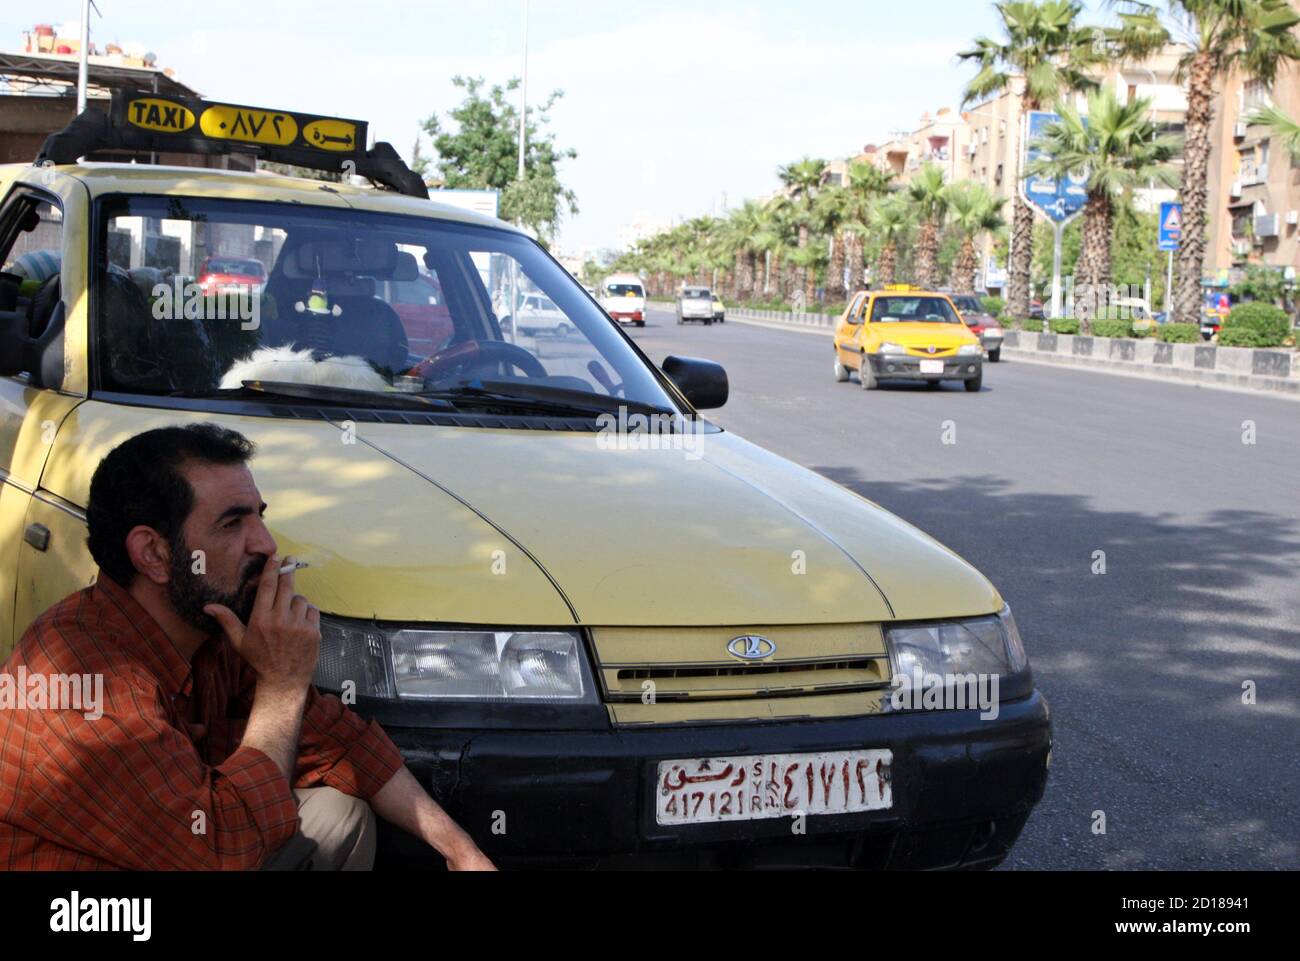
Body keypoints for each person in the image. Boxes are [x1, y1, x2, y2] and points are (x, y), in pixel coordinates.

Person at [0, 423, 494, 871]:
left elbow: (338, 741)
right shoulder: (86, 687)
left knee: (338, 817)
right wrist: (281, 686)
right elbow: (218, 855)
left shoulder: (211, 632)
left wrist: (460, 851)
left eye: (258, 517)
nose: (266, 544)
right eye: (232, 524)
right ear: (153, 554)